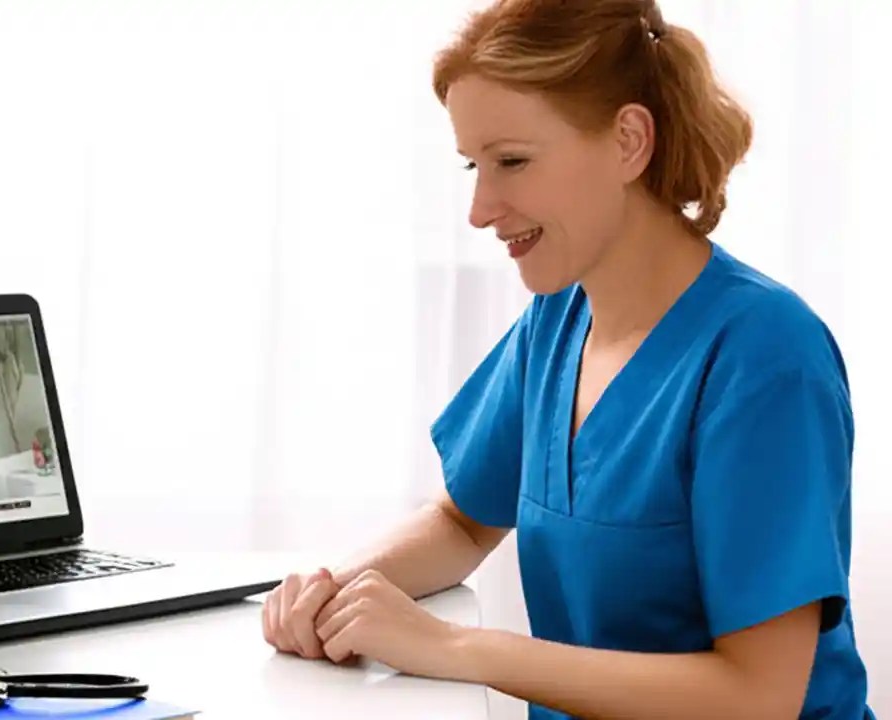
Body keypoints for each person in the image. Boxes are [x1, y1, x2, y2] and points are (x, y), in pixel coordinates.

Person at [260, 1, 875, 718]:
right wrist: (331, 591)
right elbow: (462, 522)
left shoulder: (766, 357)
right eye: (473, 165)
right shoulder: (557, 322)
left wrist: (453, 648)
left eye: (512, 161)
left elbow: (757, 697)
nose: (480, 208)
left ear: (628, 141)